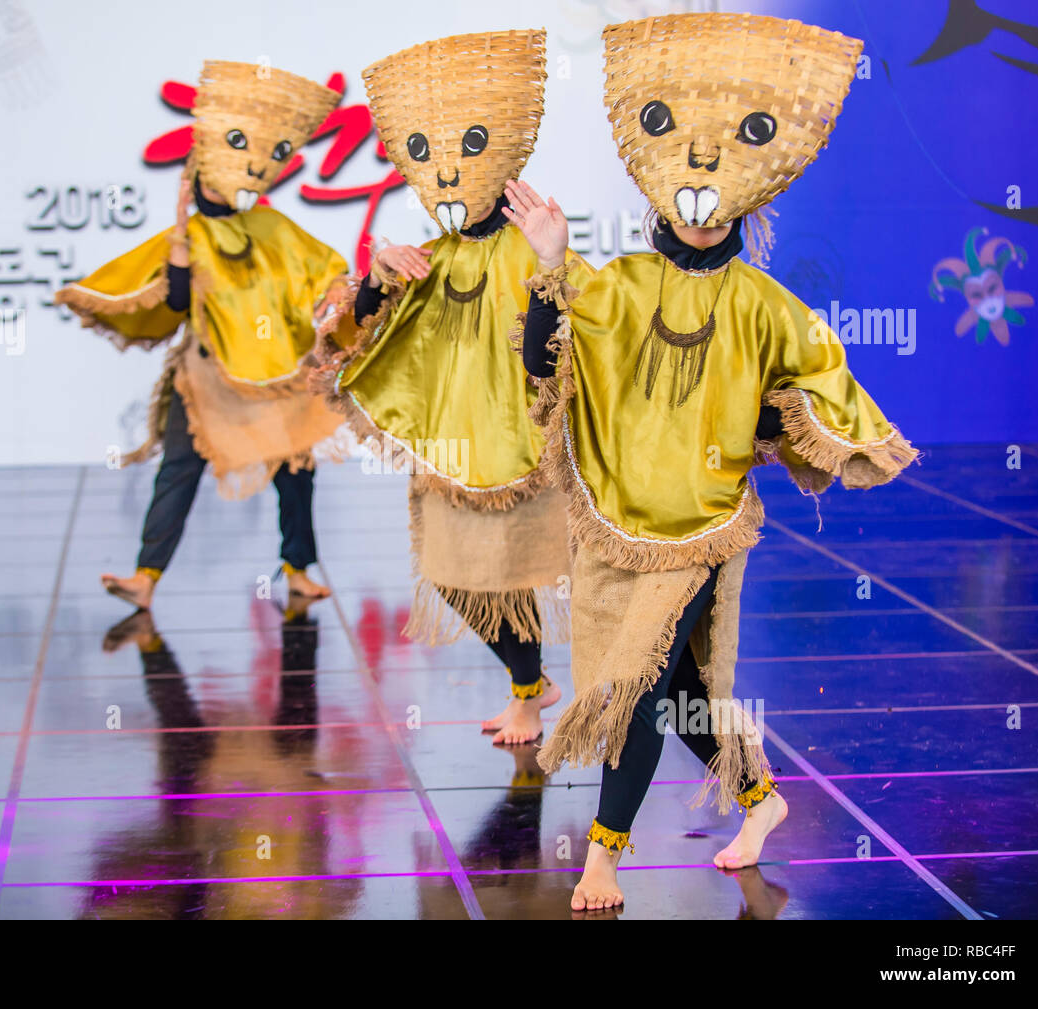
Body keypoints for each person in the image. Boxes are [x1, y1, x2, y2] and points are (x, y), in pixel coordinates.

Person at [506, 12, 917, 911]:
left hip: (703, 528)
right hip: (613, 529)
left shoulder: (766, 303)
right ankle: (762, 802)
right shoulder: (611, 284)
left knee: (635, 690)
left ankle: (605, 857)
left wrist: (855, 439)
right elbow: (544, 364)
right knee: (685, 687)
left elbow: (820, 376)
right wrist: (548, 266)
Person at [312, 30, 591, 745]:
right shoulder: (426, 257)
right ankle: (530, 683)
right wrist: (376, 281)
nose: (446, 175)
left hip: (518, 450)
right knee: (453, 574)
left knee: (508, 574)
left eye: (465, 149)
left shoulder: (535, 245)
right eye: (429, 157)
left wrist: (549, 262)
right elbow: (363, 332)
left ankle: (530, 694)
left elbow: (573, 335)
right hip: (446, 451)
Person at [56, 61, 351, 607]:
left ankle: (298, 570)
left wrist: (335, 294)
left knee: (294, 473)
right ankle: (145, 577)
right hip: (206, 374)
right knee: (178, 470)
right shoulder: (186, 235)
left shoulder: (271, 227)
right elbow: (170, 305)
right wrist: (178, 251)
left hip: (278, 371)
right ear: (200, 173)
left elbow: (323, 269)